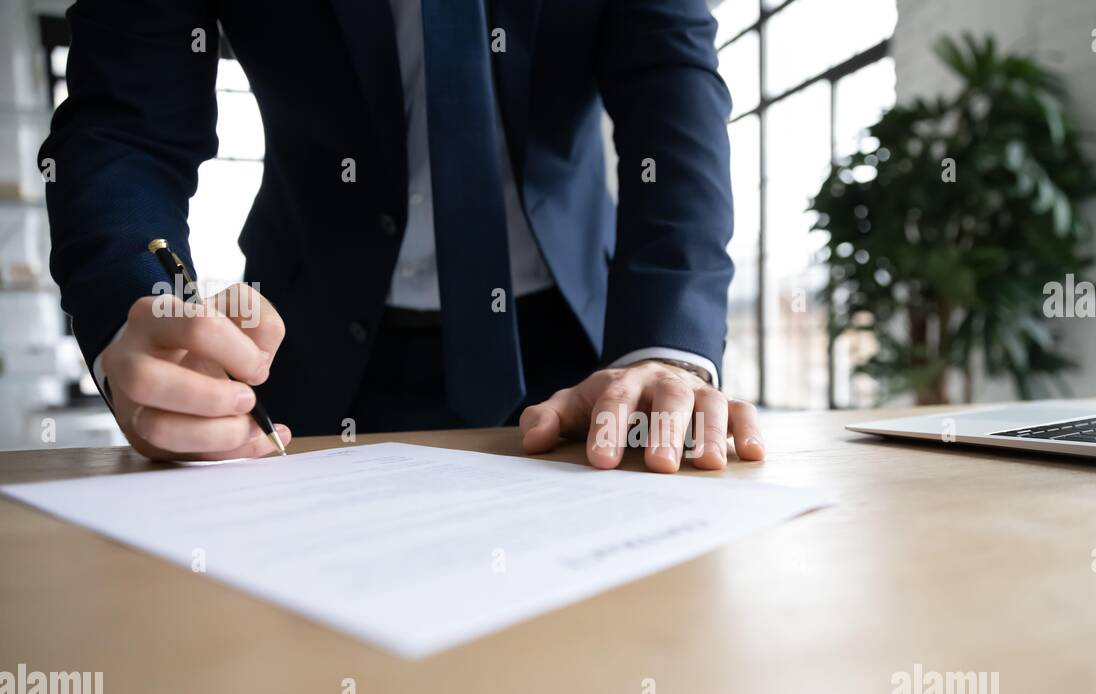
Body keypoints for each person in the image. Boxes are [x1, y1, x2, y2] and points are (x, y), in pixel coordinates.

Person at [40, 0, 765, 472]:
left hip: (585, 359)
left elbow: (674, 95)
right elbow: (125, 127)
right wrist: (138, 307)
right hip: (305, 352)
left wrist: (666, 348)